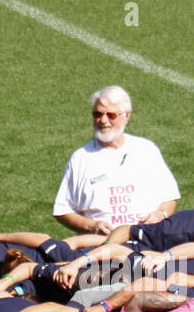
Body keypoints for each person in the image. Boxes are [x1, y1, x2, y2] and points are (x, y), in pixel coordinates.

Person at [53, 86, 180, 235]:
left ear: (127, 116)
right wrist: (92, 226)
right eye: (98, 114)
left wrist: (160, 214)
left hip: (147, 239)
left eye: (111, 115)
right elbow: (62, 211)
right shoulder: (81, 158)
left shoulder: (146, 149)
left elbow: (169, 197)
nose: (103, 120)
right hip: (102, 246)